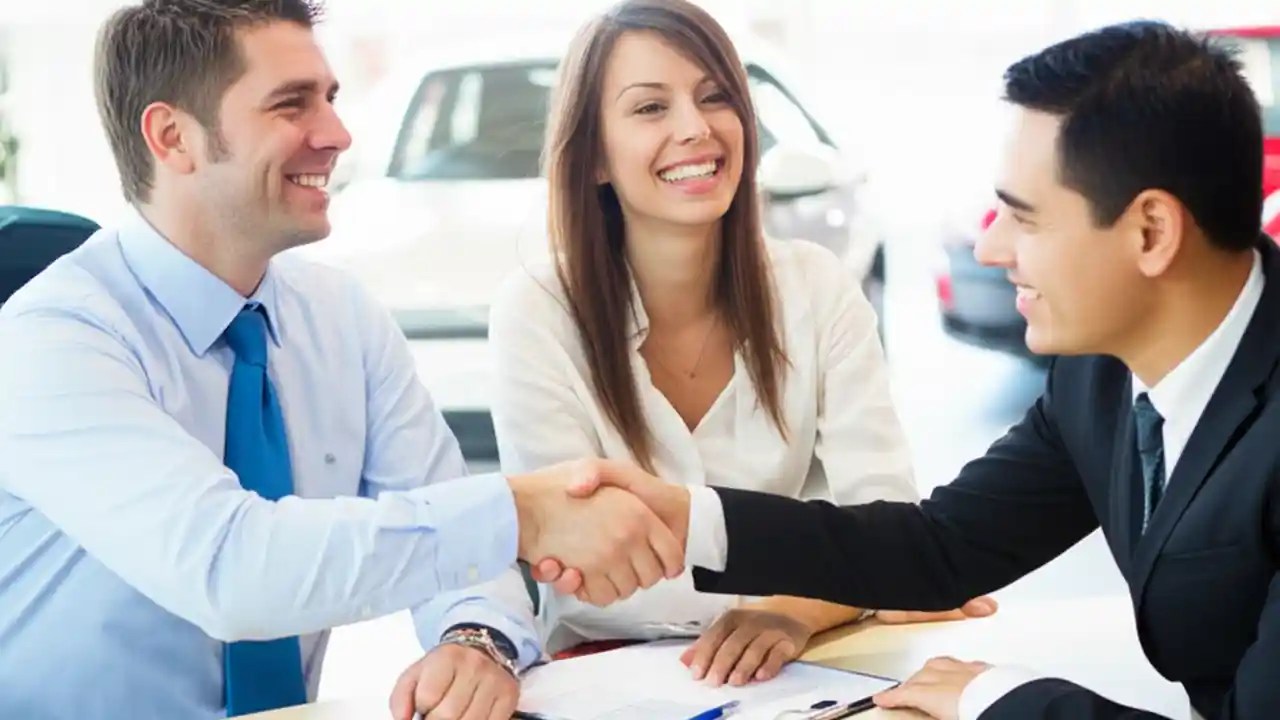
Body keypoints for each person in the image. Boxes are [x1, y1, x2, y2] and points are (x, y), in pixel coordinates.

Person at [550, 19, 1280, 720]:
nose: (992, 253)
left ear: (1151, 233)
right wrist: (688, 520)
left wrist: (992, 697)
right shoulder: (1098, 376)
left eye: (1024, 220)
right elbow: (941, 547)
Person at [0, 3, 685, 720]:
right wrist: (517, 512)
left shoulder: (340, 316)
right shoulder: (53, 339)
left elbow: (452, 538)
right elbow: (230, 569)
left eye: (329, 98)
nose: (336, 135)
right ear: (174, 137)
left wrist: (474, 638)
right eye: (291, 104)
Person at [492, 0, 994, 688]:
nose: (695, 129)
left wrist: (795, 611)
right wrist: (835, 581)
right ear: (593, 158)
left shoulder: (819, 288)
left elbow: (887, 522)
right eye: (649, 109)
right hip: (604, 681)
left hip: (809, 669)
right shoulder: (538, 311)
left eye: (715, 97)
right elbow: (590, 566)